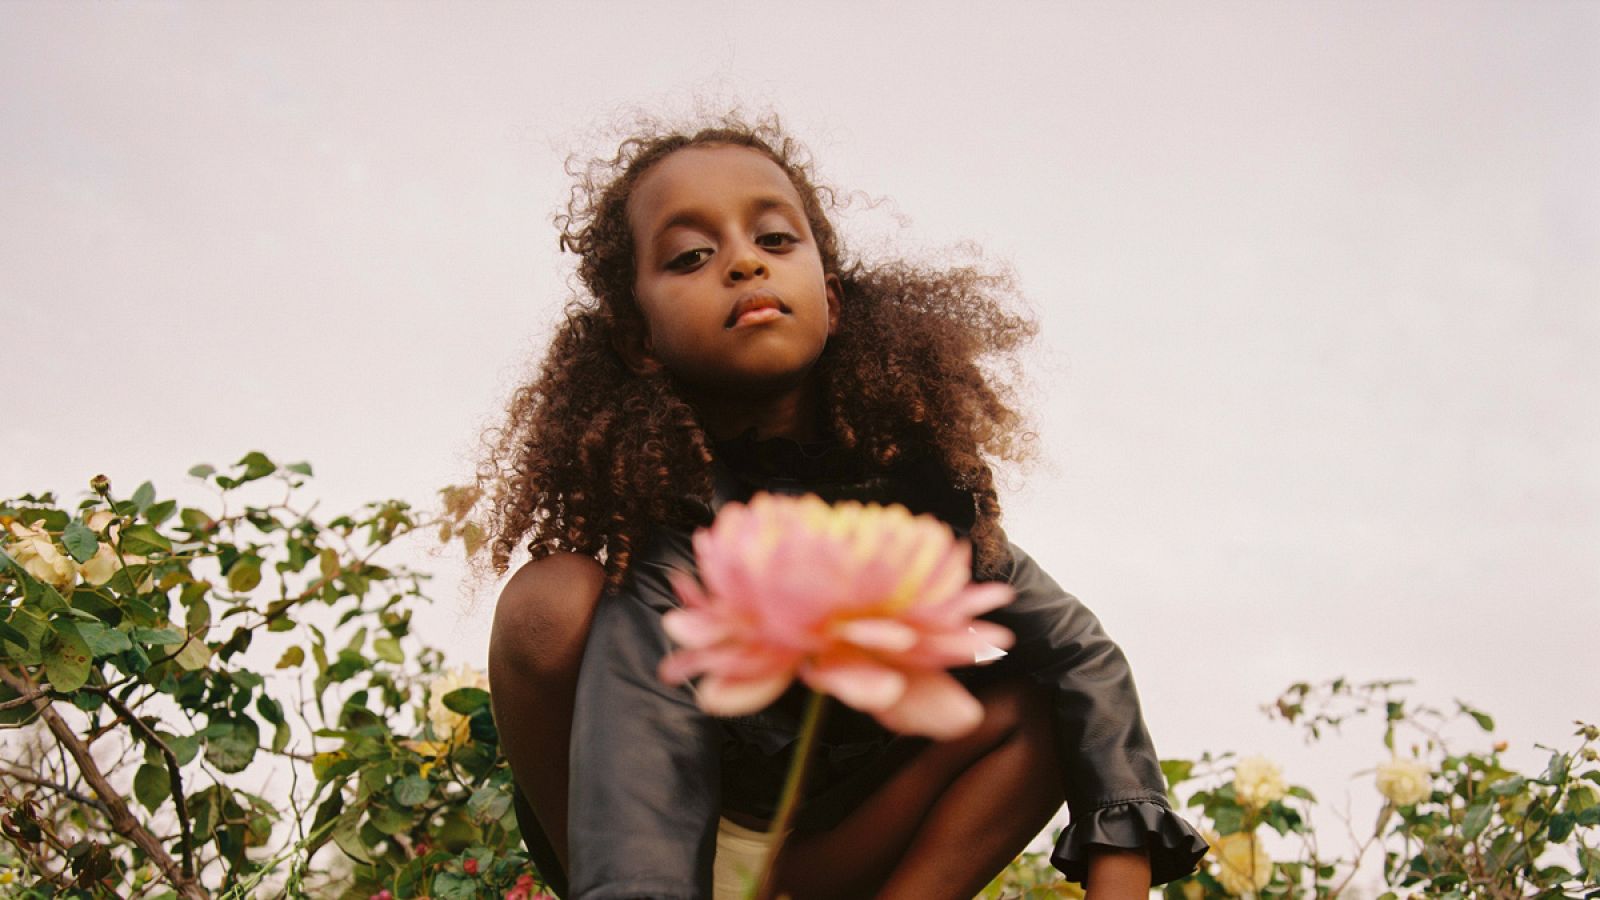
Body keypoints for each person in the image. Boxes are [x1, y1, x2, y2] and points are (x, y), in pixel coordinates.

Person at [481, 115, 1206, 900]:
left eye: (776, 240)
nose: (744, 262)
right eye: (692, 255)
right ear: (640, 341)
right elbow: (644, 752)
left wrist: (1120, 883)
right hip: (659, 837)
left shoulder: (920, 499)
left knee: (1042, 704)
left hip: (836, 850)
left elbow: (1081, 657)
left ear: (831, 298)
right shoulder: (672, 528)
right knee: (548, 606)